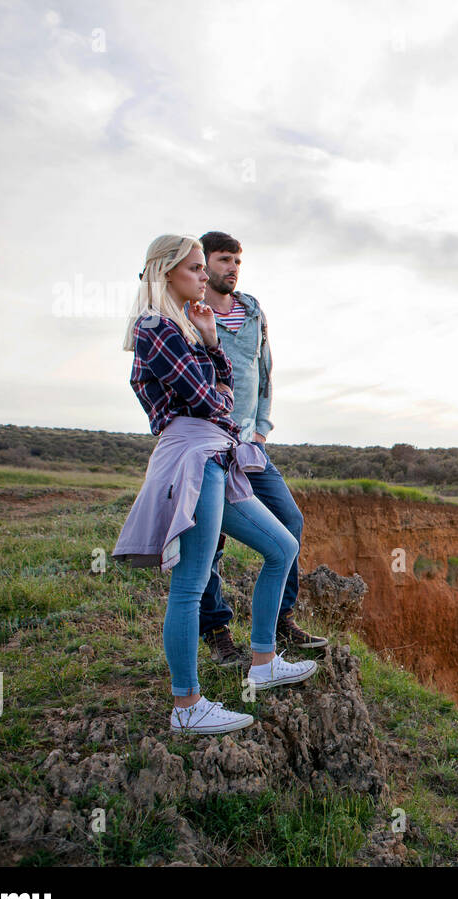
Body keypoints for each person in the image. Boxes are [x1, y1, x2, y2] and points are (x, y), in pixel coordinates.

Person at [112, 234, 317, 734]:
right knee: (190, 583)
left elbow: (221, 384)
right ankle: (187, 707)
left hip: (218, 455)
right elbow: (212, 399)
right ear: (166, 273)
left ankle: (264, 662)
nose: (204, 276)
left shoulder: (185, 327)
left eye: (206, 268)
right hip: (192, 456)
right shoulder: (154, 327)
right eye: (196, 268)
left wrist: (209, 341)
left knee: (282, 545)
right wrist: (215, 373)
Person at [194, 230, 328, 670]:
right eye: (223, 260)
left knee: (289, 520)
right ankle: (217, 634)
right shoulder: (188, 314)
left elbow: (265, 372)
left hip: (252, 446)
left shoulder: (252, 312)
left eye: (237, 261)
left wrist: (263, 430)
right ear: (203, 263)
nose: (231, 268)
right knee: (211, 543)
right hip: (212, 445)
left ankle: (281, 619)